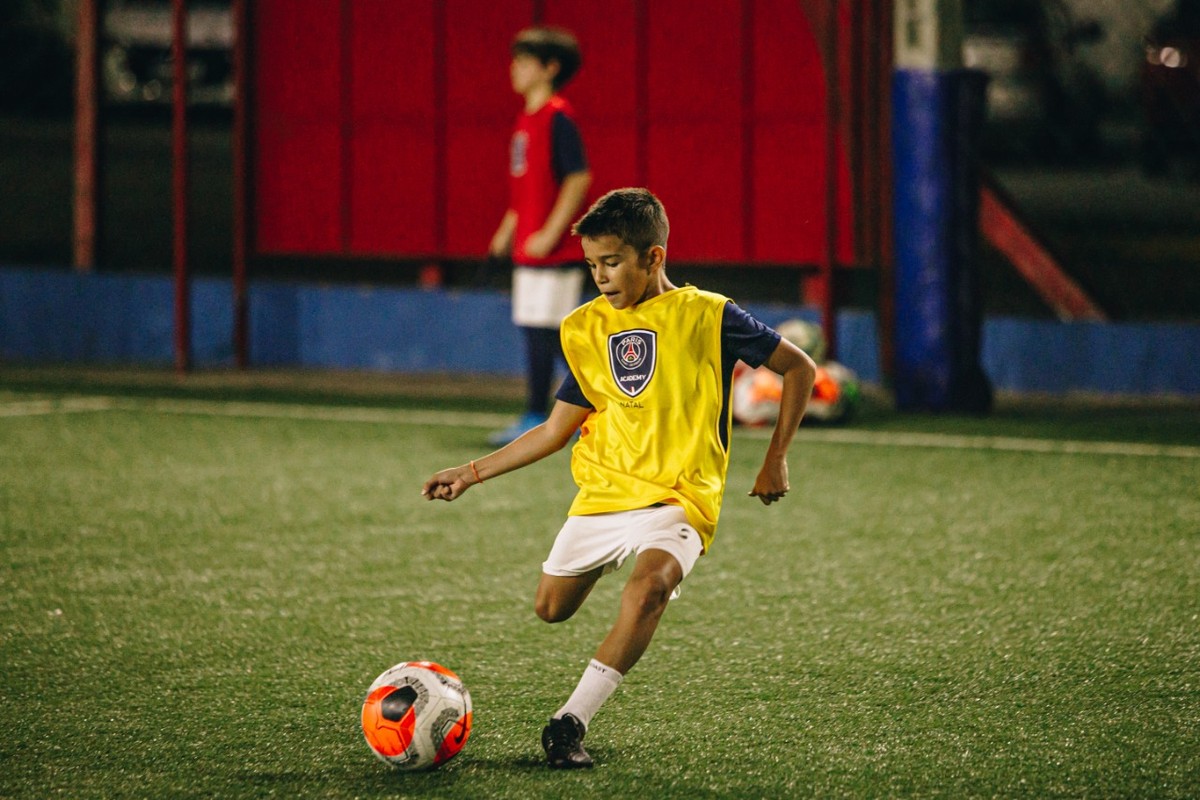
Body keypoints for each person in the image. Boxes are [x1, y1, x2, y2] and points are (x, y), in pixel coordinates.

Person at [423, 188, 817, 769]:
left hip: (680, 496)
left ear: (652, 258)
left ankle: (569, 722)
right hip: (605, 493)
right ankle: (609, 578)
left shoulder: (709, 315)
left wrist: (775, 456)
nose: (599, 276)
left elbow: (800, 368)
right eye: (591, 265)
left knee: (649, 587)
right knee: (551, 608)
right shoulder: (584, 328)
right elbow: (557, 430)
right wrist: (472, 472)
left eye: (611, 262)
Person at [487, 25, 593, 446]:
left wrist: (551, 233)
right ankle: (536, 412)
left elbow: (578, 178)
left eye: (524, 61)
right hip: (528, 249)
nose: (514, 69)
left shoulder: (558, 117)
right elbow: (525, 187)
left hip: (555, 251)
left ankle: (596, 403)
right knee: (534, 330)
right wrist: (507, 230)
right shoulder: (525, 121)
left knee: (551, 334)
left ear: (550, 68)